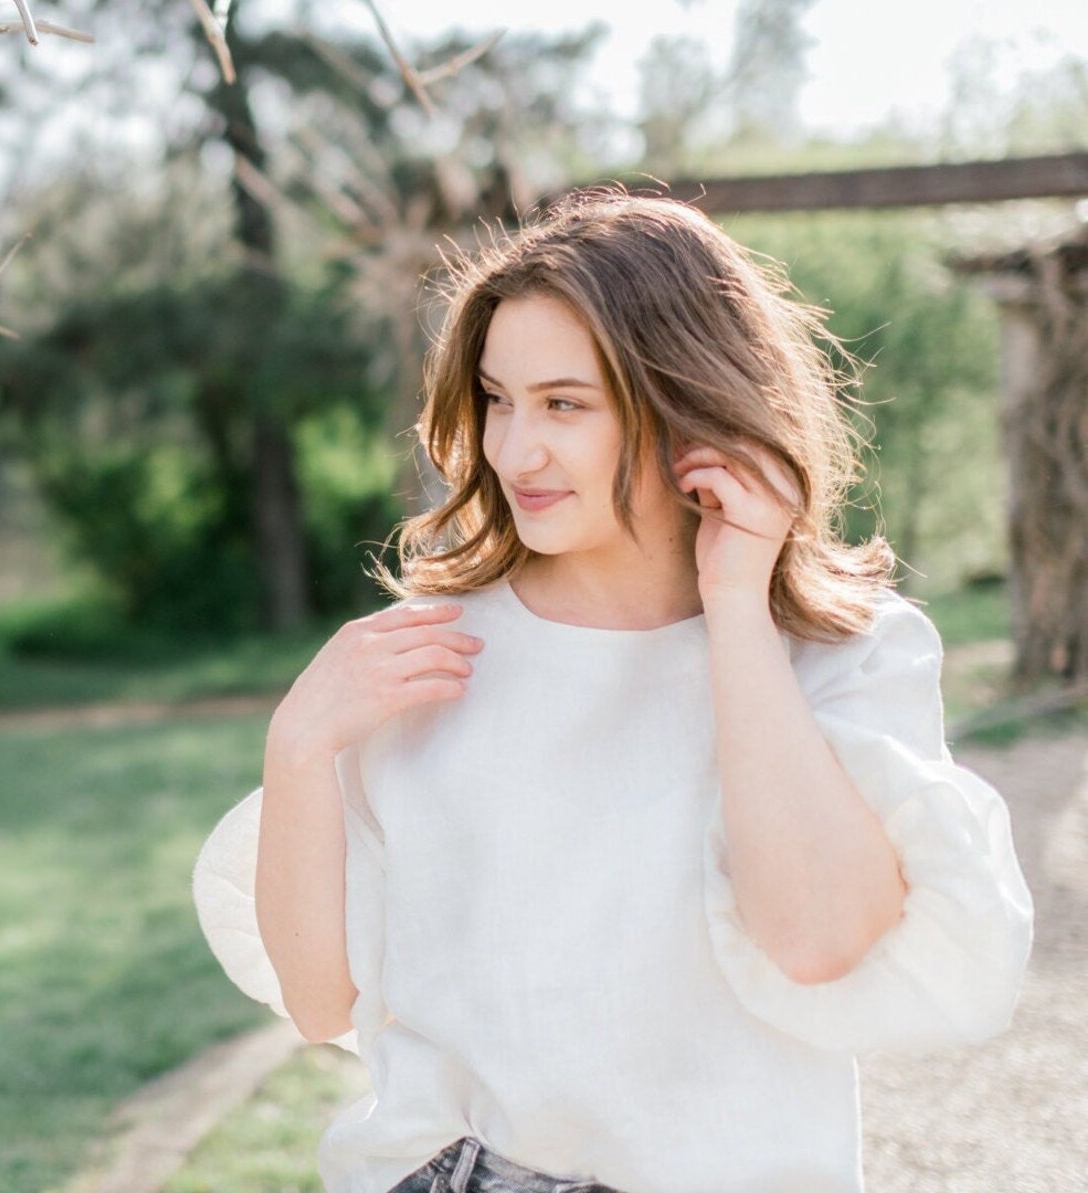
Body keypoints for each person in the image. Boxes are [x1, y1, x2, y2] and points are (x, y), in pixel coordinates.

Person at [190, 189, 1034, 1193]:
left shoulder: (848, 656)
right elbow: (321, 996)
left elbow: (813, 938)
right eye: (497, 399)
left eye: (564, 404)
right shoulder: (430, 651)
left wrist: (732, 599)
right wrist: (298, 746)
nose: (513, 450)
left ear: (688, 399)